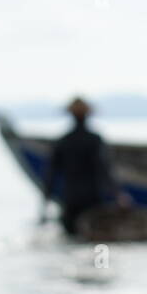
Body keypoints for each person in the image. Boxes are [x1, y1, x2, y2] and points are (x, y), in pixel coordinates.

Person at [43, 97, 125, 235]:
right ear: (88, 116)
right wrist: (118, 195)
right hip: (92, 200)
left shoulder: (64, 141)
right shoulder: (95, 140)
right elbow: (104, 169)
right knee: (94, 241)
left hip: (70, 200)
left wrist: (44, 206)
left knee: (71, 242)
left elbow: (51, 175)